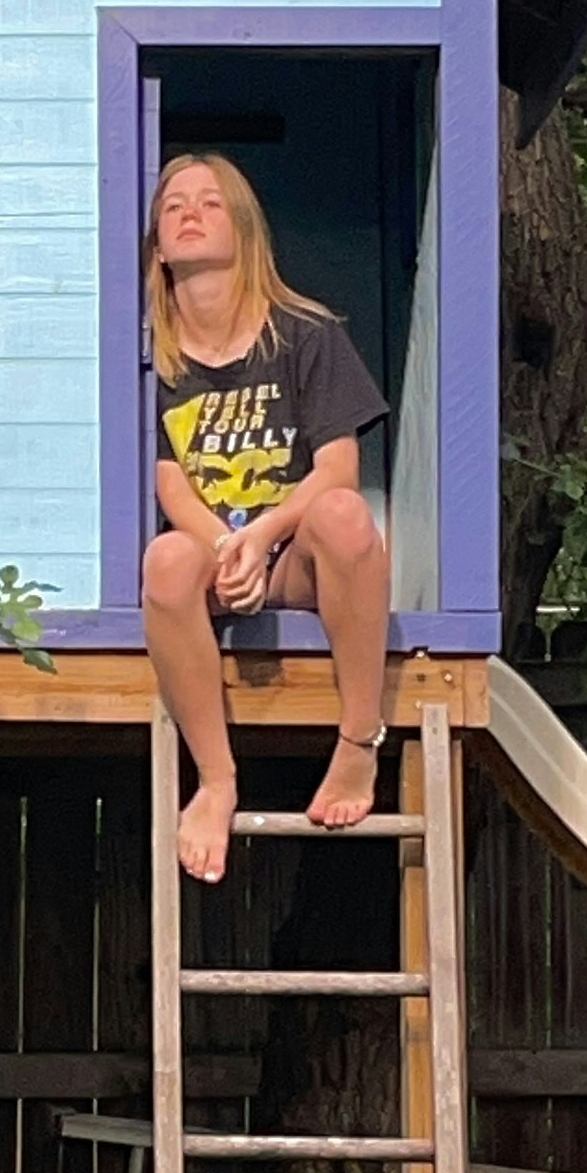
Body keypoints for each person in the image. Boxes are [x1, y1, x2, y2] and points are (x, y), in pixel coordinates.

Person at [140, 148, 391, 882]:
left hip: (292, 556)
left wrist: (261, 537)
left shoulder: (307, 335)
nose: (189, 212)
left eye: (211, 202)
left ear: (245, 231)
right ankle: (215, 781)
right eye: (173, 205)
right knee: (163, 562)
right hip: (216, 557)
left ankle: (357, 743)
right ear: (158, 246)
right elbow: (169, 480)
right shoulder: (152, 357)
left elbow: (337, 469)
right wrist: (224, 545)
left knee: (346, 515)